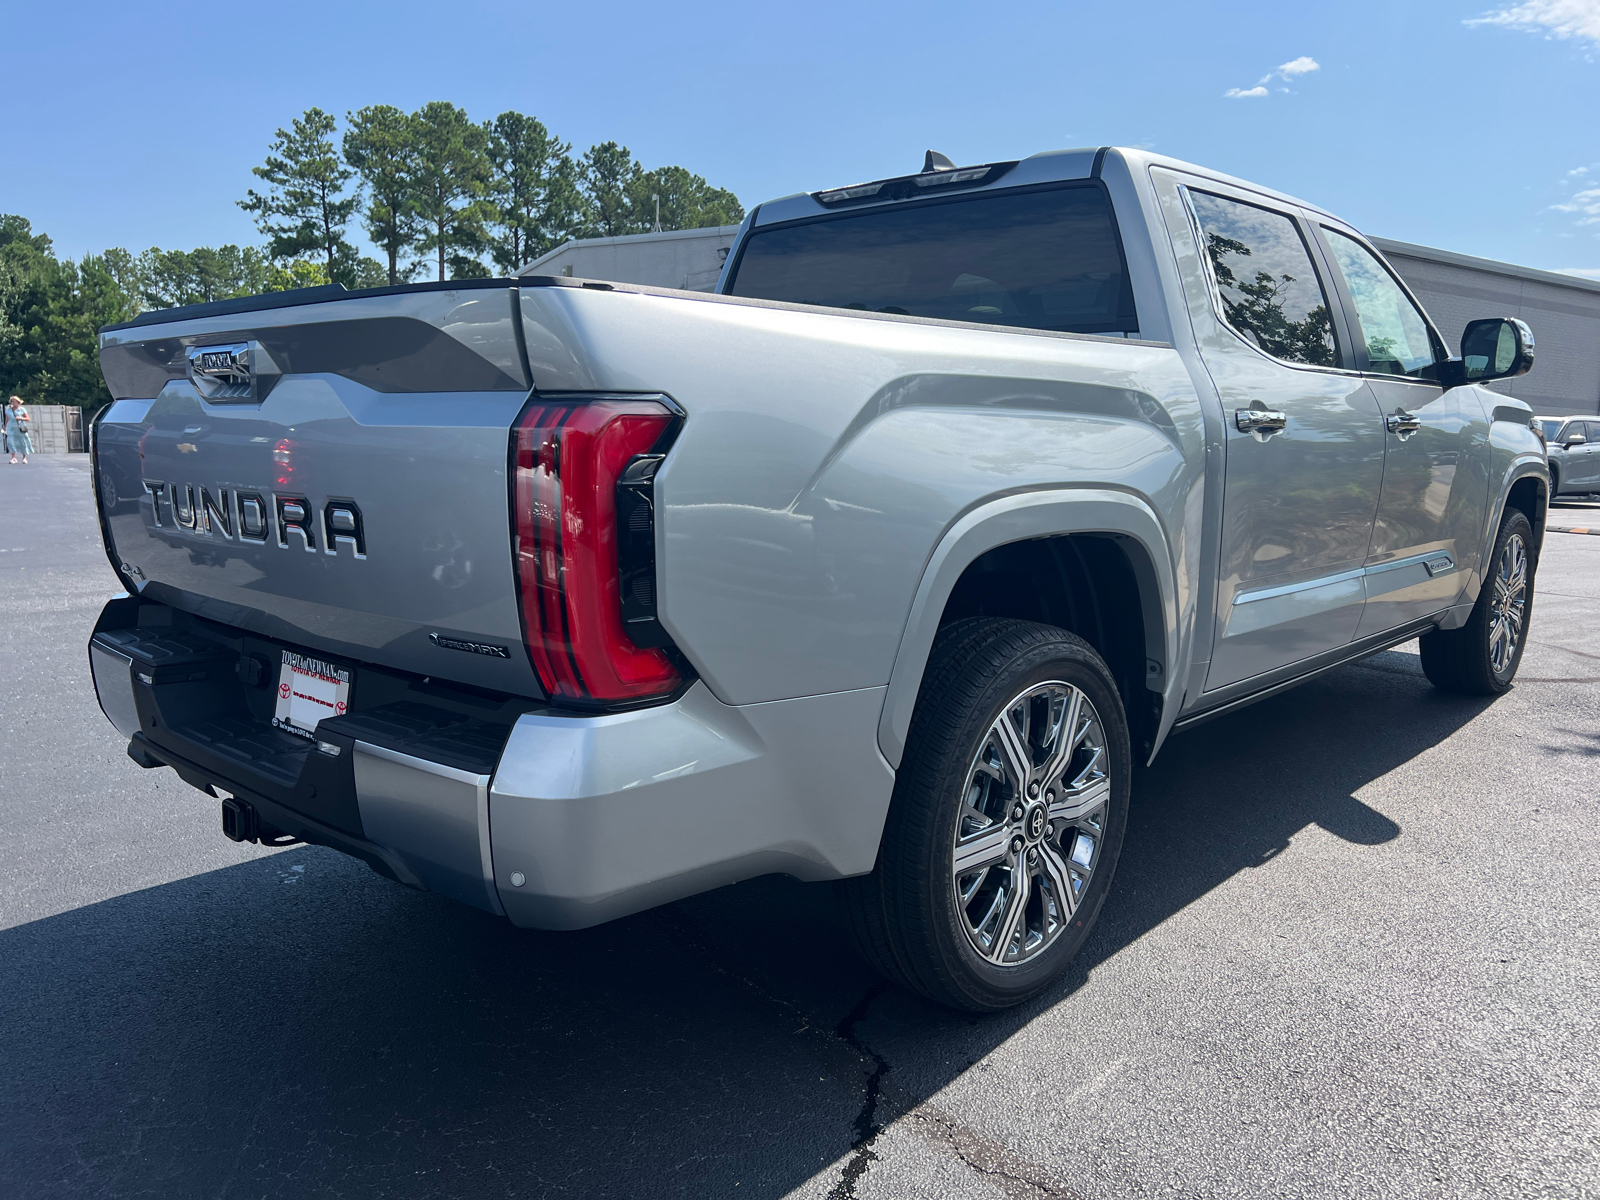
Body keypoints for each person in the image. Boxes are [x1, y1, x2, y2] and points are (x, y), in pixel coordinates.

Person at [6, 396, 32, 464]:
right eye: (12, 401)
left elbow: (28, 418)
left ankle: (24, 457)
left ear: (18, 402)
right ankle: (13, 458)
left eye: (14, 401)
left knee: (23, 442)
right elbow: (7, 419)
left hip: (20, 428)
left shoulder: (22, 409)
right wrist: (4, 427)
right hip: (11, 428)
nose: (13, 402)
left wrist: (21, 418)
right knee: (10, 442)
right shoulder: (8, 410)